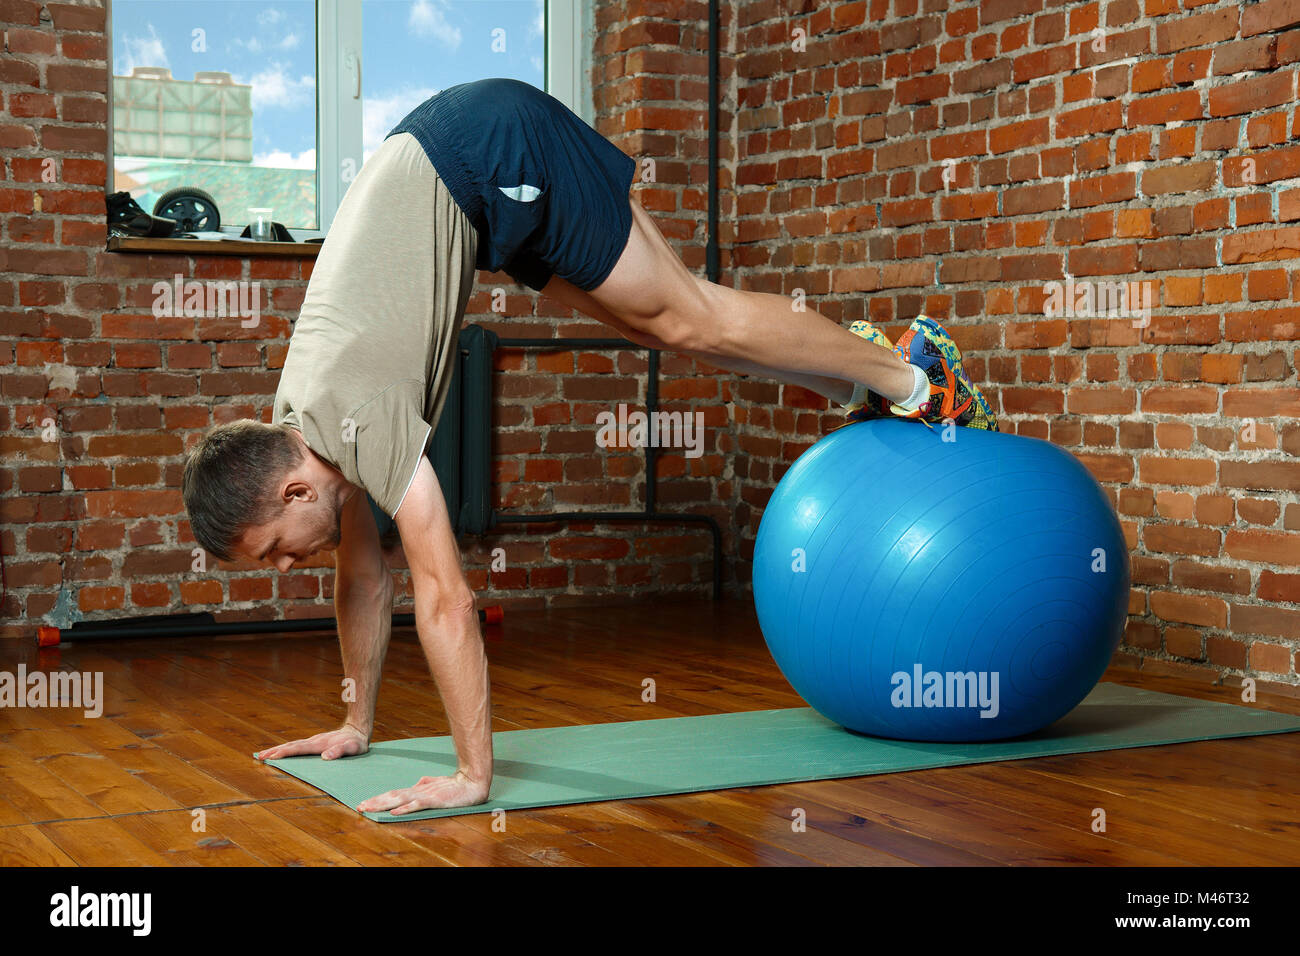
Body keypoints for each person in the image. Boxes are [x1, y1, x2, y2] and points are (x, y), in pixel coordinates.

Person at [181, 77, 997, 815]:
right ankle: (854, 377)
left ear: (292, 492)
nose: (287, 567)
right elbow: (362, 573)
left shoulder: (354, 418)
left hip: (489, 144)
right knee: (658, 328)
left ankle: (917, 376)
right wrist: (355, 722)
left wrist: (473, 775)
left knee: (683, 314)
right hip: (460, 173)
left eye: (274, 553)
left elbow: (445, 598)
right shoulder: (302, 432)